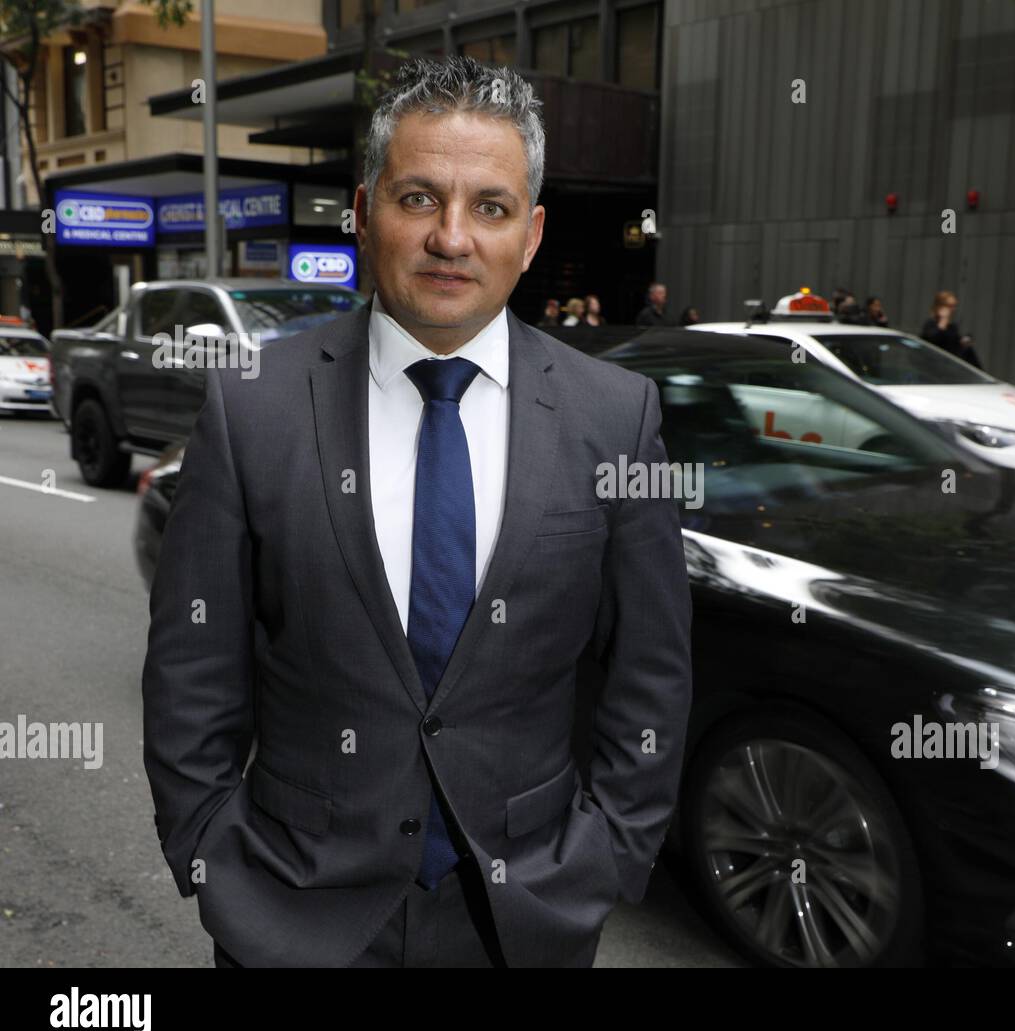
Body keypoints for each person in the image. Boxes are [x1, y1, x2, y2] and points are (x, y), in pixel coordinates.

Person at [142, 55, 692, 969]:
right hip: (291, 916)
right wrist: (210, 856)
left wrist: (611, 856)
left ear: (532, 232)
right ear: (363, 213)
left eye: (490, 206)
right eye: (418, 198)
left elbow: (652, 673)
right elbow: (192, 674)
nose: (452, 237)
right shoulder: (254, 406)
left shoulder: (616, 418)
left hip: (525, 924)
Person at [921, 290, 981, 369]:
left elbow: (955, 347)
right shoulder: (930, 324)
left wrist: (963, 341)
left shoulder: (952, 327)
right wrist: (943, 320)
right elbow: (933, 340)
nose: (952, 309)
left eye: (954, 306)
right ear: (940, 306)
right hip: (934, 367)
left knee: (969, 351)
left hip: (950, 366)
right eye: (949, 306)